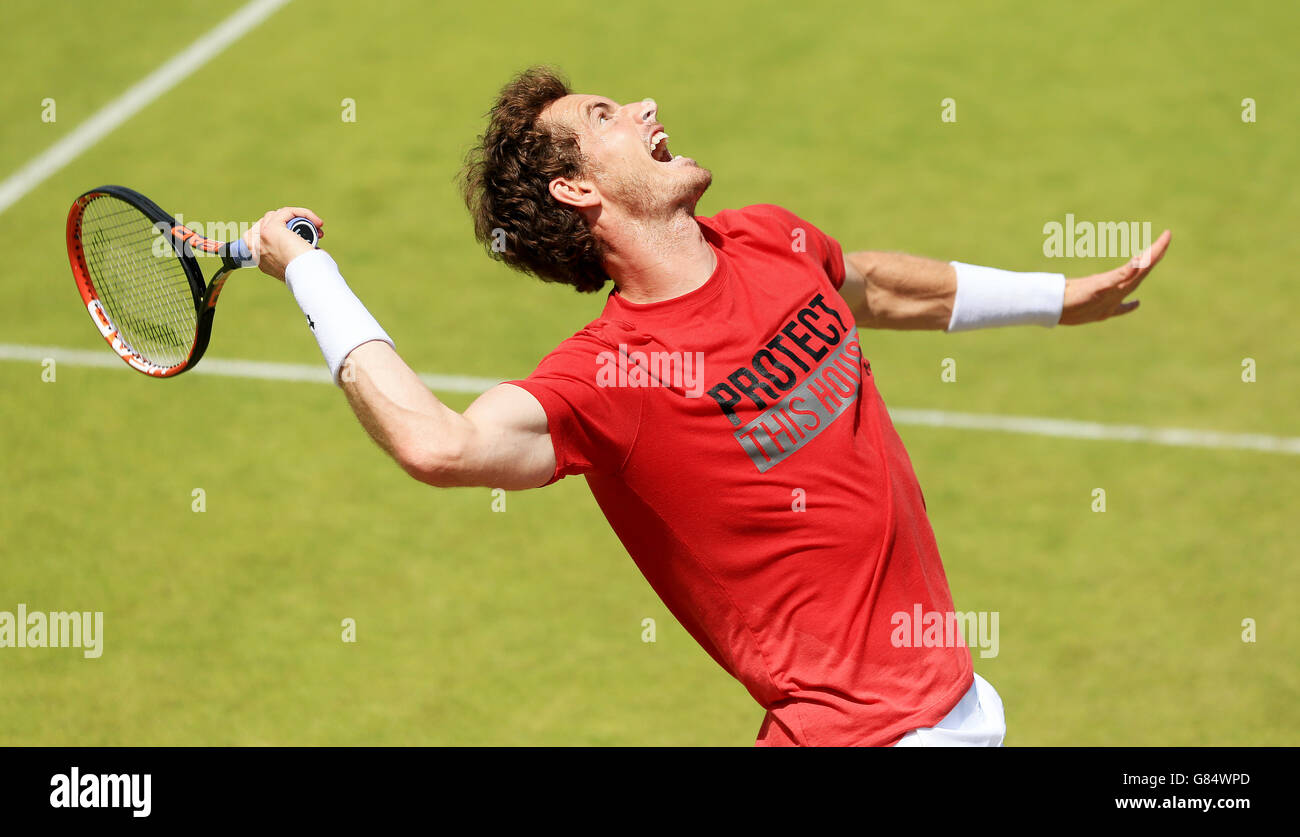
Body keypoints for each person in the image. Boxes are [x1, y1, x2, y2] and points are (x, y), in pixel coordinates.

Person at [241, 66, 1170, 746]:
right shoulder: (608, 377)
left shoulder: (768, 238)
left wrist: (1056, 296)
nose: (646, 105)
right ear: (578, 189)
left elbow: (872, 286)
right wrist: (312, 273)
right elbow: (437, 443)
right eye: (607, 116)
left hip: (959, 704)